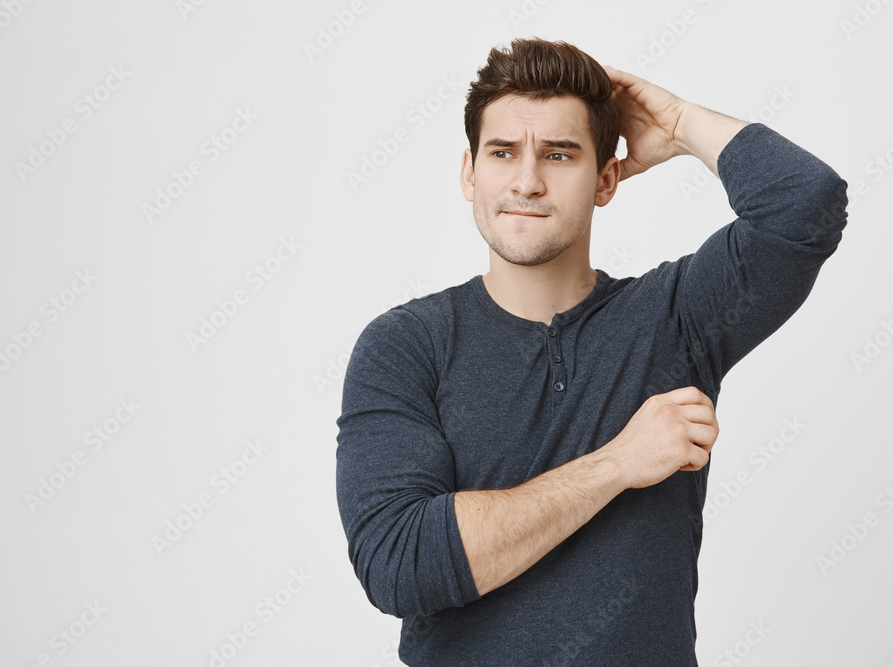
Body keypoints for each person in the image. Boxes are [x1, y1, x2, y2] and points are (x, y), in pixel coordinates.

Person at [335, 37, 848, 666]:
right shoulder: (404, 346)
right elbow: (399, 565)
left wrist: (680, 124)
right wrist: (618, 463)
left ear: (606, 179)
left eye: (559, 154)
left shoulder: (675, 318)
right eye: (503, 152)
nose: (527, 181)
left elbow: (805, 203)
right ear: (470, 172)